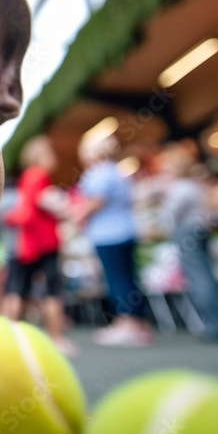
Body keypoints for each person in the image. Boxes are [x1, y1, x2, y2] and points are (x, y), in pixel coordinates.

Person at [74, 134, 153, 347]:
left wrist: (77, 217)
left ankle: (128, 324)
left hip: (108, 235)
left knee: (116, 279)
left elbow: (95, 202)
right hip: (126, 231)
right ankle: (137, 323)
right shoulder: (118, 172)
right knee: (128, 277)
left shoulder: (99, 174)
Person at [157, 142, 218, 339]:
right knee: (208, 277)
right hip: (199, 231)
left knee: (199, 280)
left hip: (186, 233)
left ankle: (216, 326)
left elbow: (168, 217)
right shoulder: (195, 186)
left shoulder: (180, 188)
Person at [1, 136, 75, 355]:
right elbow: (40, 205)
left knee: (17, 290)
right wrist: (67, 210)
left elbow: (24, 211)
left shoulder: (27, 177)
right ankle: (56, 339)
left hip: (26, 245)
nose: (54, 158)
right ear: (40, 155)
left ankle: (12, 340)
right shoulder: (39, 176)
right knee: (51, 291)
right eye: (50, 153)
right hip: (43, 244)